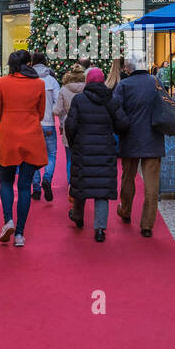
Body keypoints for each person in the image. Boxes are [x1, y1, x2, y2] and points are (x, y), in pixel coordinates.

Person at [0, 49, 46, 246]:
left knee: (6, 181)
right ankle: (20, 234)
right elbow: (41, 113)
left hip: (9, 139)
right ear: (28, 63)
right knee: (25, 187)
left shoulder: (3, 82)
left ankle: (8, 221)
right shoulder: (39, 83)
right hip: (31, 138)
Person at [66, 67, 129, 243]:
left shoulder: (79, 100)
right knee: (102, 190)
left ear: (87, 82)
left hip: (83, 150)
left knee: (80, 186)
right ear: (102, 81)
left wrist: (74, 145)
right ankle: (100, 228)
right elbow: (123, 124)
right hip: (105, 151)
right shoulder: (111, 100)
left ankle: (78, 217)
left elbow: (70, 126)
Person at [111, 48, 166, 238]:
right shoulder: (156, 82)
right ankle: (147, 225)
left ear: (128, 67)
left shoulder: (124, 86)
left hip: (131, 138)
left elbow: (115, 111)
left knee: (128, 178)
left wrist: (121, 127)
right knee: (152, 185)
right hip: (154, 139)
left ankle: (125, 211)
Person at [30, 50, 61, 201]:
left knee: (34, 156)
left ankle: (36, 189)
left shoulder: (29, 79)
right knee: (52, 154)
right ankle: (47, 178)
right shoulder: (52, 81)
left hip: (32, 124)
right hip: (48, 123)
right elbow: (58, 103)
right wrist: (52, 114)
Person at [54, 63, 87, 182]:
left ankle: (70, 183)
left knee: (69, 158)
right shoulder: (87, 87)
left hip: (69, 122)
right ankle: (82, 181)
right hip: (85, 122)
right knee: (83, 156)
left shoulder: (64, 89)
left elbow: (58, 110)